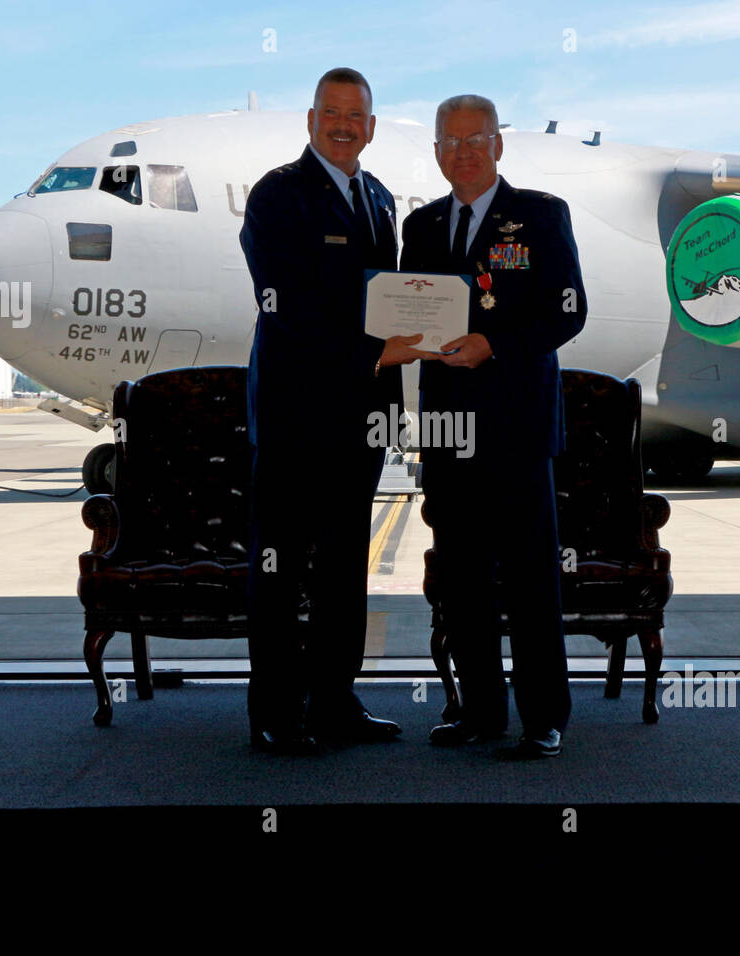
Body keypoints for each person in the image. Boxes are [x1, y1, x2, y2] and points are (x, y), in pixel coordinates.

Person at [239, 68, 427, 753]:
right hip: (294, 414)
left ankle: (334, 703)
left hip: (359, 418)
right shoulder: (277, 196)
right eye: (332, 112)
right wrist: (375, 356)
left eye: (357, 115)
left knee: (346, 568)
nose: (344, 124)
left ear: (371, 128)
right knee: (279, 568)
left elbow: (391, 299)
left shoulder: (379, 200)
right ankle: (276, 714)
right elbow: (283, 305)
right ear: (311, 119)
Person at [400, 94, 587, 758]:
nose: (462, 152)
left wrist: (493, 343)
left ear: (498, 144)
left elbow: (566, 312)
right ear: (436, 152)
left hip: (516, 430)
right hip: (449, 433)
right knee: (464, 581)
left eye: (474, 139)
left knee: (532, 580)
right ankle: (479, 712)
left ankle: (544, 717)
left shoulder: (539, 215)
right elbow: (406, 310)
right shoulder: (420, 228)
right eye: (448, 143)